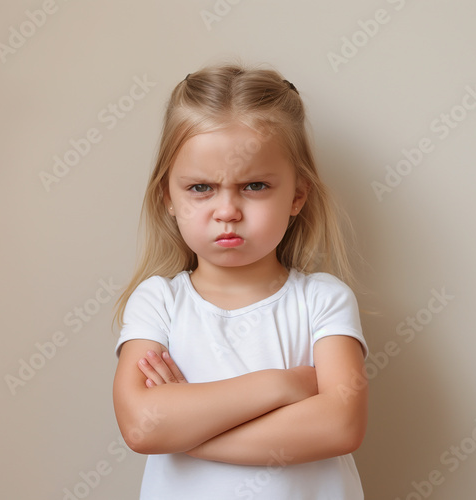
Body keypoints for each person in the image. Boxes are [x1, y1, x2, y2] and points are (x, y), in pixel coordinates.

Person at [110, 61, 370, 499]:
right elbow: (141, 425)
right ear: (167, 198)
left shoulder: (323, 300)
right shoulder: (157, 302)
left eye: (254, 186)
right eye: (200, 188)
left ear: (297, 196)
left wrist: (189, 432)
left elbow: (340, 425)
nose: (227, 210)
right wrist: (282, 385)